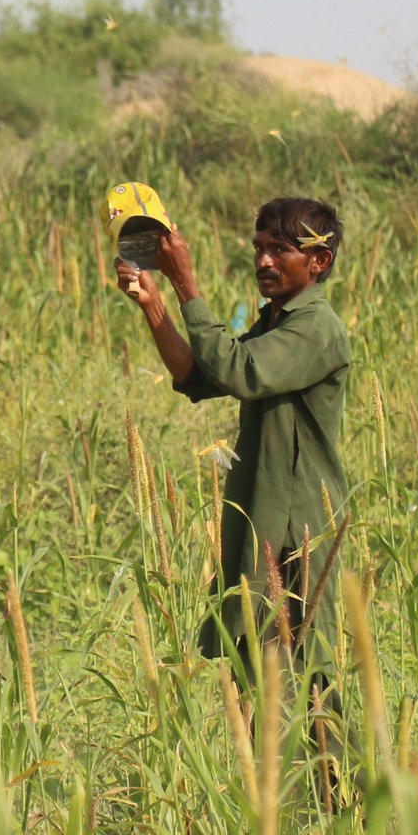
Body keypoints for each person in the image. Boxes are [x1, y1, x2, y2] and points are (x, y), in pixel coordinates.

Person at [114, 197, 351, 684]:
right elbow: (200, 377)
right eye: (258, 247)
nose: (262, 261)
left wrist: (185, 284)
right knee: (262, 684)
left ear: (318, 261)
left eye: (279, 249)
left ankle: (348, 765)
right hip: (261, 524)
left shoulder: (316, 328)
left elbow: (243, 373)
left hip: (296, 533)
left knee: (306, 685)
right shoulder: (276, 322)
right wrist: (153, 303)